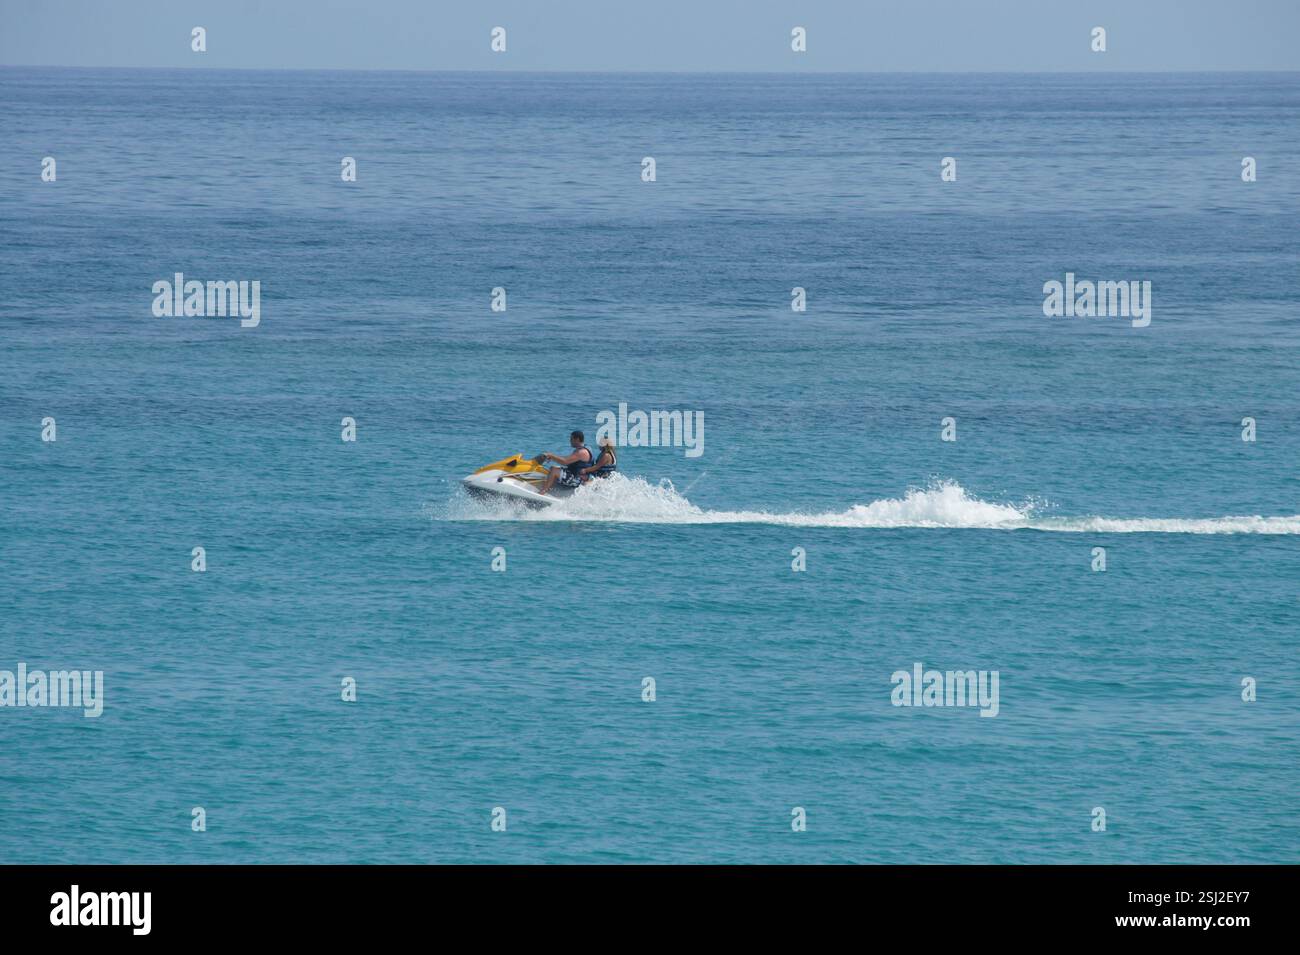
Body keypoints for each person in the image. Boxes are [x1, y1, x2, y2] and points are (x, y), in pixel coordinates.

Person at [536, 431, 593, 495]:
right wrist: (553, 458)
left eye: (571, 439)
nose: (570, 441)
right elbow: (569, 460)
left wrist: (551, 455)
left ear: (577, 439)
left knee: (554, 470)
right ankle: (551, 485)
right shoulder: (584, 447)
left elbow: (565, 461)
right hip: (575, 474)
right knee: (553, 467)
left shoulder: (582, 452)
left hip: (577, 480)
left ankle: (543, 491)